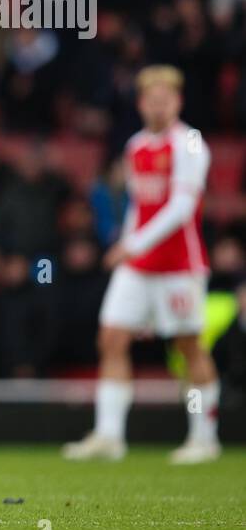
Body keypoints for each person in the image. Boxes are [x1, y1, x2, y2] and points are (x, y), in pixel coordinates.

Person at [63, 65, 221, 464]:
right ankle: (109, 436)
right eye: (152, 99)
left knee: (188, 346)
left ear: (178, 102)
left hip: (179, 265)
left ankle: (204, 437)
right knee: (112, 338)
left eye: (166, 99)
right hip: (138, 265)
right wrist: (127, 245)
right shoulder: (135, 146)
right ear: (141, 103)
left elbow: (183, 207)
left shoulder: (190, 144)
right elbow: (140, 205)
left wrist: (132, 244)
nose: (158, 105)